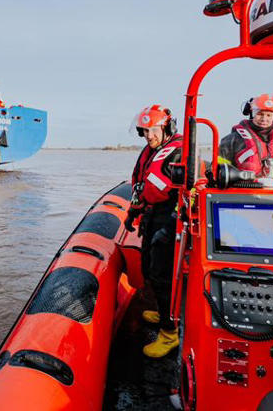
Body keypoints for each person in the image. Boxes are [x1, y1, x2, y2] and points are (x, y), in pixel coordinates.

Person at [124, 104, 183, 358]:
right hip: (152, 214)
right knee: (149, 267)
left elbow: (177, 186)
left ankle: (170, 333)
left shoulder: (179, 151)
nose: (149, 136)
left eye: (154, 130)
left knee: (162, 274)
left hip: (170, 216)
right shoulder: (150, 151)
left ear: (167, 127)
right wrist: (133, 212)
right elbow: (142, 187)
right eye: (145, 131)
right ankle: (162, 310)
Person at [218, 94, 273, 177]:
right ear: (252, 114)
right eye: (260, 114)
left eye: (268, 115)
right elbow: (219, 170)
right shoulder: (232, 139)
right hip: (244, 188)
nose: (264, 119)